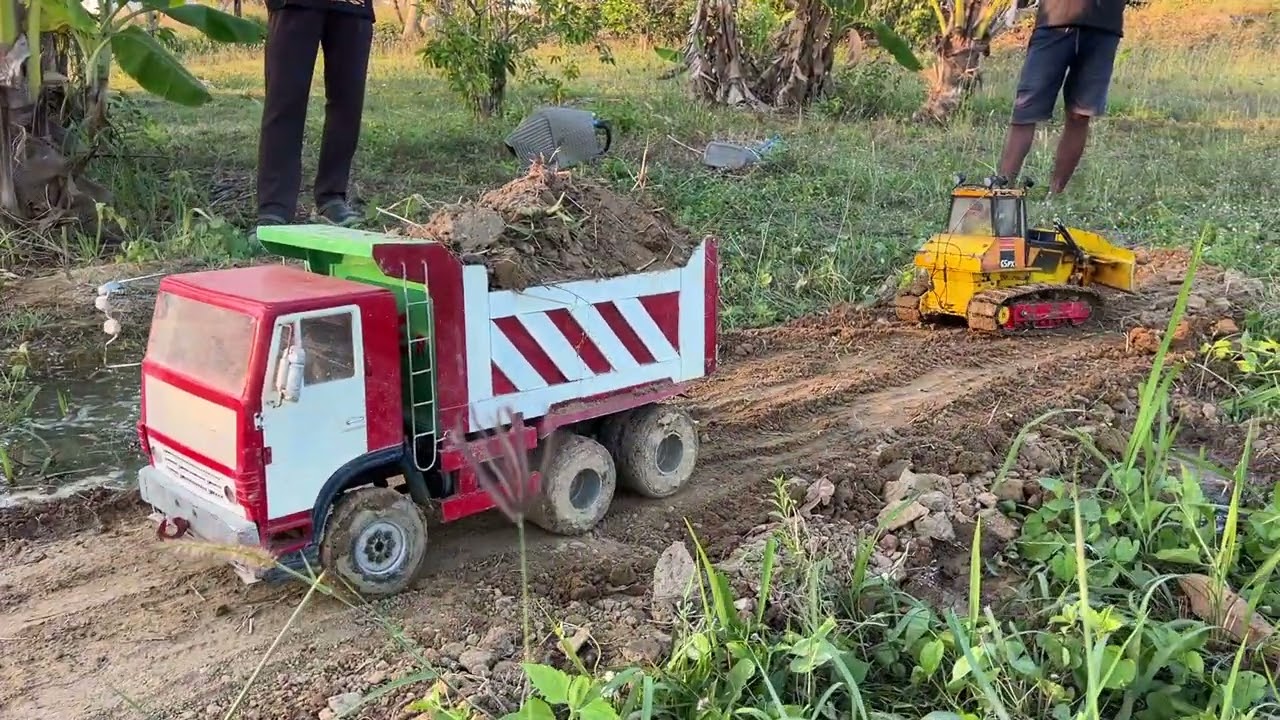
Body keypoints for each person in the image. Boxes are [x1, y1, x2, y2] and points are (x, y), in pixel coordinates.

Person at [254, 0, 375, 231]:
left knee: (347, 103)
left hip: (352, 7)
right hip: (295, 5)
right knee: (285, 101)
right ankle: (275, 208)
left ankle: (332, 198)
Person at [996, 0, 1128, 195]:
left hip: (1104, 26)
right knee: (1025, 111)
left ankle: (1055, 193)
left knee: (1080, 115)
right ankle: (1001, 192)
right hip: (1055, 21)